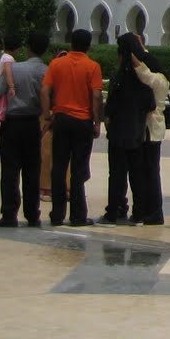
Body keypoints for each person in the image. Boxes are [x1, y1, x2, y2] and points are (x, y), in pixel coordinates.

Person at [41, 28, 103, 226]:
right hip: (82, 122)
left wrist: (47, 114)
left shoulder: (57, 63)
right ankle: (78, 216)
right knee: (78, 170)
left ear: (71, 44)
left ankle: (57, 215)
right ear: (88, 46)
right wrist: (96, 122)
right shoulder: (93, 67)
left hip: (62, 119)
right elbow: (96, 96)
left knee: (58, 167)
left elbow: (44, 91)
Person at [0, 32, 47, 227]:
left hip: (13, 122)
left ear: (28, 48)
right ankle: (33, 214)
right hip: (33, 122)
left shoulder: (13, 69)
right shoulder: (46, 71)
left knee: (10, 170)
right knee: (32, 170)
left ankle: (9, 214)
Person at [101, 33, 155, 225]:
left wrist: (108, 117)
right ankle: (138, 212)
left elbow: (111, 105)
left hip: (118, 133)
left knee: (116, 174)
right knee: (136, 174)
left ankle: (114, 211)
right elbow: (150, 104)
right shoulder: (142, 77)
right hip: (136, 133)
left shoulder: (120, 77)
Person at [120, 33, 169, 225]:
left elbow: (143, 72)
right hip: (152, 130)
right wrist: (141, 49)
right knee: (148, 173)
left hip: (150, 131)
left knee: (149, 173)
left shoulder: (157, 81)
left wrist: (133, 53)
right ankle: (149, 210)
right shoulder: (161, 79)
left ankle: (154, 212)